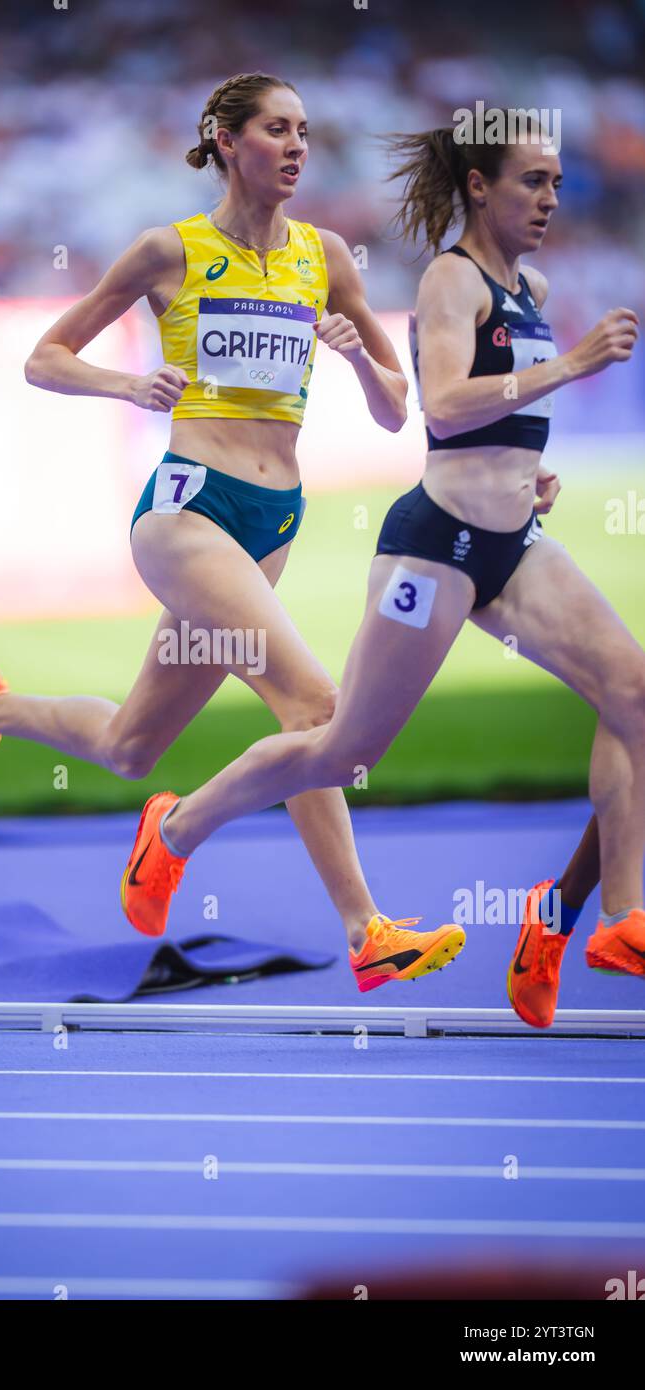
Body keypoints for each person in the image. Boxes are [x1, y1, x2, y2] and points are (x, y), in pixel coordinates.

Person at [0, 73, 466, 993]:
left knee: (132, 746)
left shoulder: (326, 256)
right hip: (187, 510)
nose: (296, 148)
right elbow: (45, 357)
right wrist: (126, 387)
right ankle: (362, 929)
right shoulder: (169, 250)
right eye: (276, 130)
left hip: (276, 517)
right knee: (317, 709)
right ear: (224, 138)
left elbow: (398, 410)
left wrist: (360, 357)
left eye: (305, 133)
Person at [122, 120, 642, 1023]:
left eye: (557, 183)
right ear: (480, 187)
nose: (551, 199)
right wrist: (574, 364)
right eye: (532, 182)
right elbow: (439, 406)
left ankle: (595, 918)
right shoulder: (450, 278)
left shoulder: (534, 285)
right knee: (342, 746)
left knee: (633, 696)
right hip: (434, 546)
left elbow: (501, 416)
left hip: (517, 542)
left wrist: (529, 467)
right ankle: (174, 830)